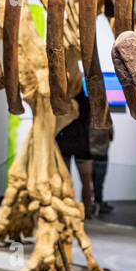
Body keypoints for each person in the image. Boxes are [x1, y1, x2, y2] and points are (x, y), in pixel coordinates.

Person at [55, 90, 111, 219]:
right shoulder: (86, 101)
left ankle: (66, 210)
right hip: (82, 143)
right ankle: (87, 212)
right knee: (86, 180)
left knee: (65, 179)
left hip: (65, 143)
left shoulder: (65, 101)